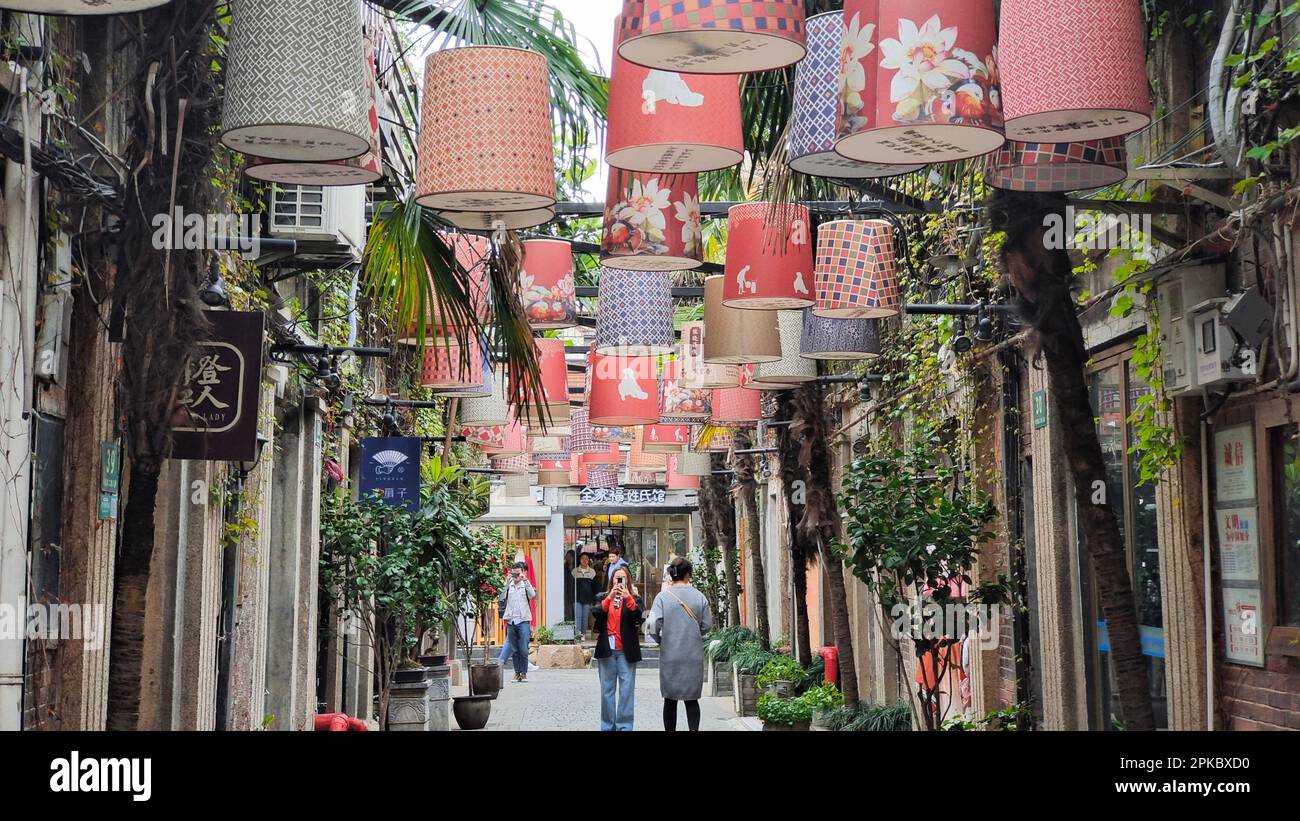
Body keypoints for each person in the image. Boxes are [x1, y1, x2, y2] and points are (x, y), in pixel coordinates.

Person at [649, 556, 712, 731]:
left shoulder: (662, 597)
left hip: (670, 655)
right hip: (693, 655)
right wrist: (694, 635)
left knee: (670, 700)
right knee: (692, 700)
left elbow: (652, 625)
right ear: (688, 574)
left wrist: (661, 641)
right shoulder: (700, 597)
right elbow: (707, 625)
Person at [591, 565, 642, 731]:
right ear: (611, 580)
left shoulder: (634, 598)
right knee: (607, 691)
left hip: (626, 651)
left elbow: (638, 616)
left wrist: (629, 599)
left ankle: (625, 726)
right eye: (616, 577)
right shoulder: (603, 597)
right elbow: (596, 613)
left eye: (622, 578)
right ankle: (607, 726)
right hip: (607, 650)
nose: (619, 581)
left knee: (626, 691)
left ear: (627, 581)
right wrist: (609, 597)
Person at [498, 562, 536, 682]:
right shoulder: (509, 585)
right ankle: (517, 673)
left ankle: (524, 673)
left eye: (518, 572)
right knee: (514, 649)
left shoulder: (525, 585)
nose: (516, 575)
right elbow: (501, 597)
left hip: (523, 620)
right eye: (514, 572)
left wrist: (526, 580)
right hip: (511, 620)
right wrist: (506, 581)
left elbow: (532, 595)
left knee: (523, 648)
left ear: (523, 572)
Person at [571, 551, 597, 639]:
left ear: (589, 560)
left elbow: (595, 587)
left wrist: (594, 599)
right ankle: (578, 635)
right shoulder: (574, 572)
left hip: (588, 599)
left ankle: (583, 634)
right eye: (583, 558)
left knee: (585, 617)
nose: (585, 560)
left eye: (586, 559)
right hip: (576, 598)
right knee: (578, 617)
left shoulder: (592, 572)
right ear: (579, 560)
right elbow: (571, 586)